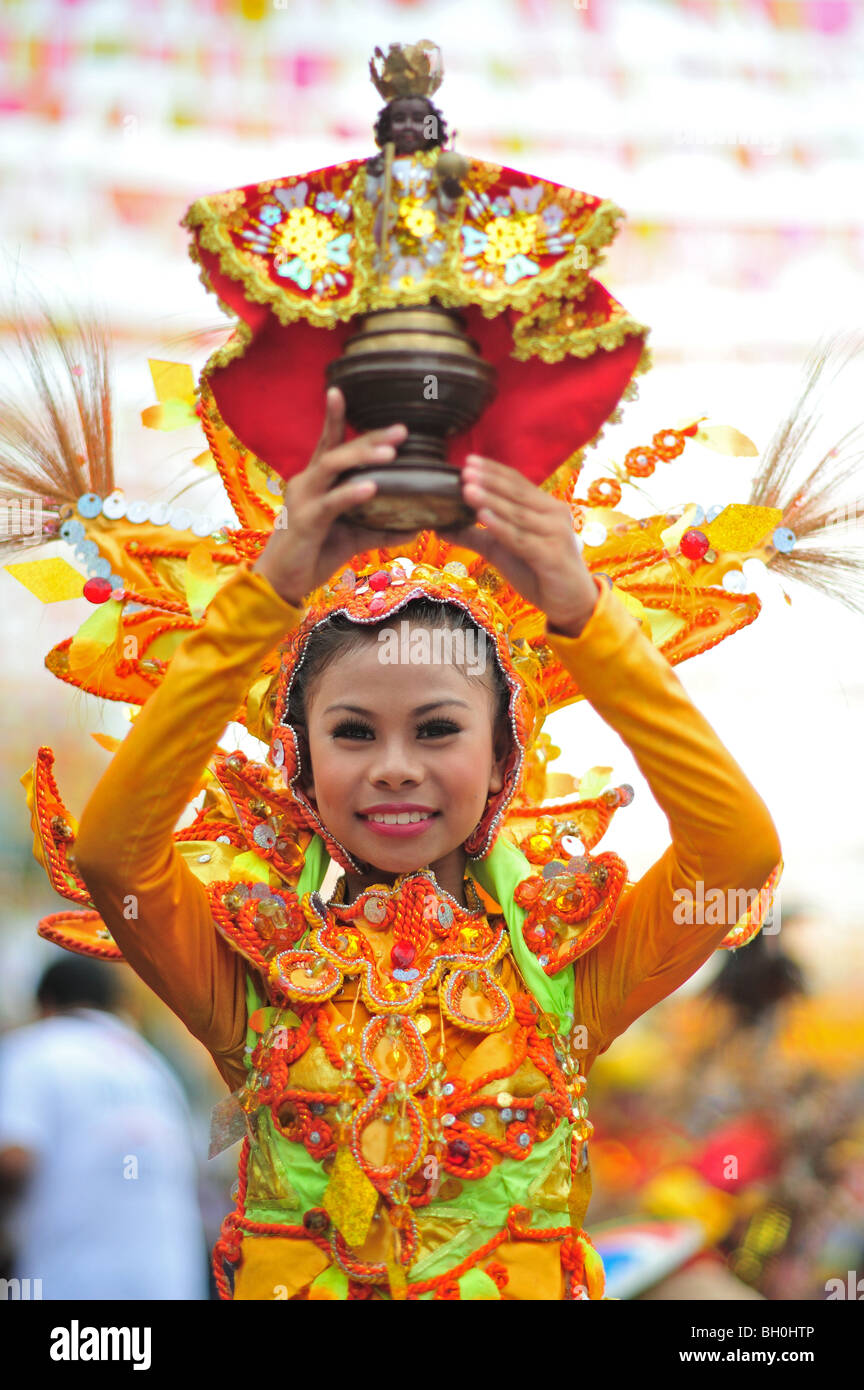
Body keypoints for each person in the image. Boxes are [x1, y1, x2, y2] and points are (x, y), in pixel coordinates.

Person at [63, 386, 782, 1301]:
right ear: (299, 759)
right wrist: (268, 593)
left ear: (500, 759)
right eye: (353, 734)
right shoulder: (257, 978)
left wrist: (585, 616)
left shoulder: (564, 981)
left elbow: (734, 855)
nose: (394, 768)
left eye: (438, 731)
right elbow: (115, 858)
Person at [0, 956, 209, 1300]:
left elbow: (14, 1159)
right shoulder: (152, 1064)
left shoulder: (34, 1050)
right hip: (171, 1282)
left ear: (46, 1006)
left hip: (70, 1287)